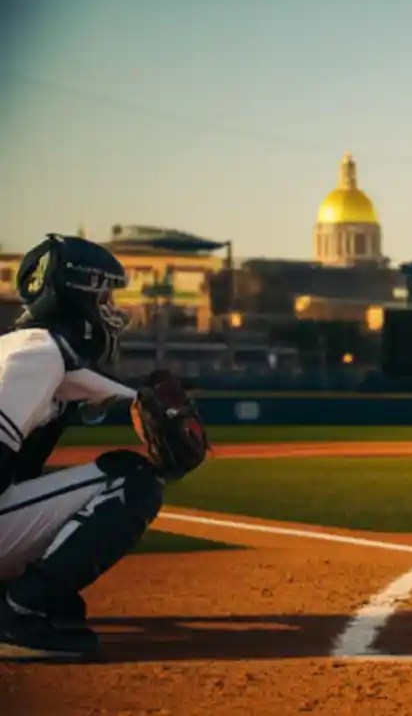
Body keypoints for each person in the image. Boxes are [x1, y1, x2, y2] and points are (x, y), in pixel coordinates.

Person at [0, 234, 208, 660]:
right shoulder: (38, 354)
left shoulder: (34, 351)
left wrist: (138, 401)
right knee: (132, 480)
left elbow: (97, 390)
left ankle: (23, 596)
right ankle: (16, 614)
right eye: (104, 296)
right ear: (76, 297)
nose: (112, 311)